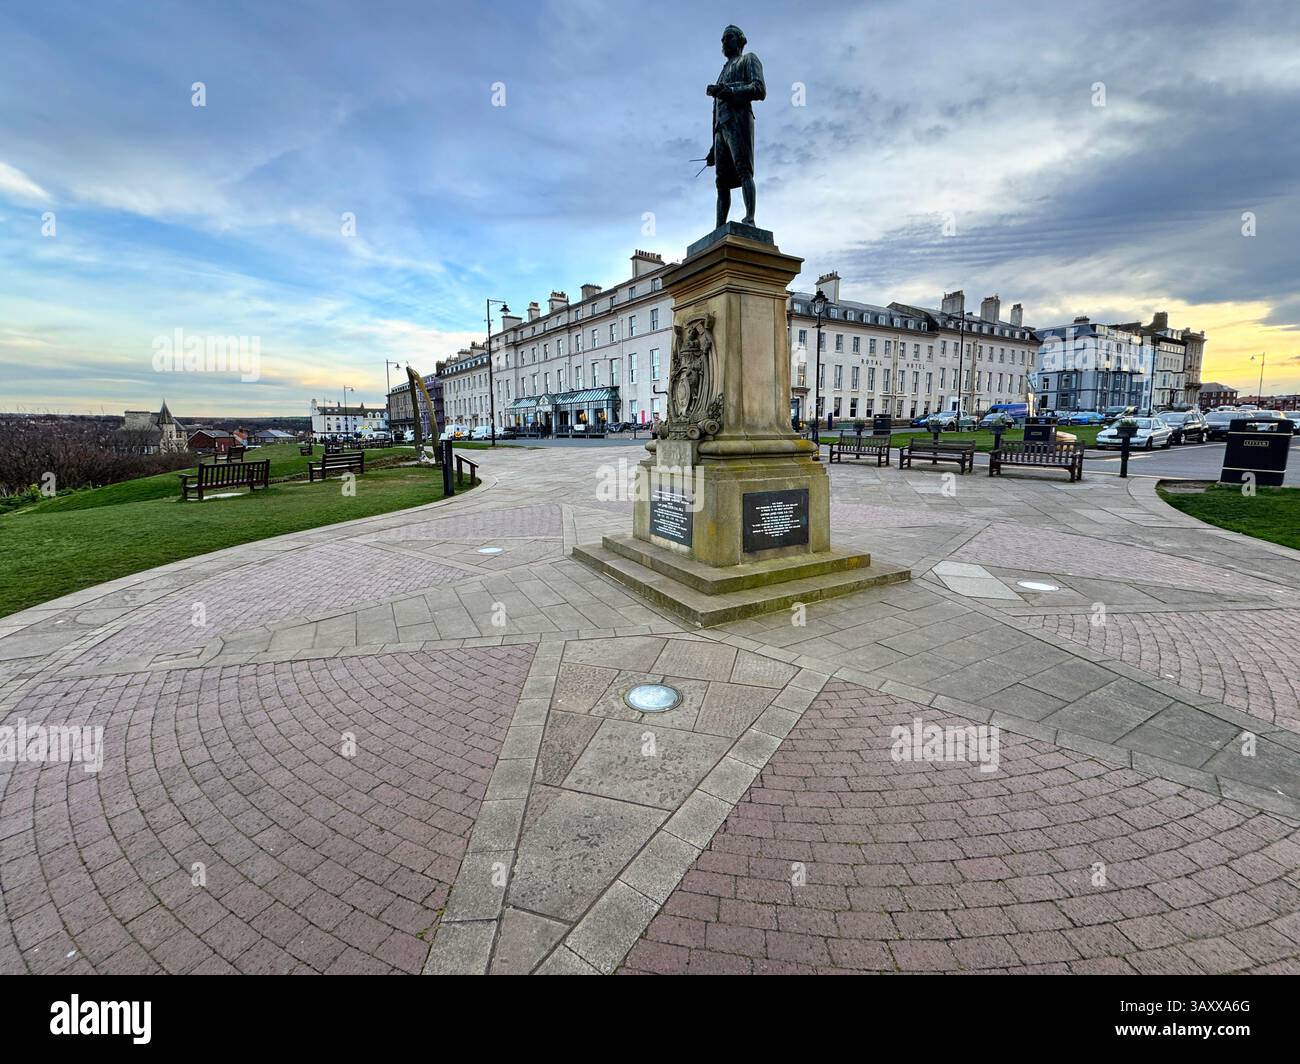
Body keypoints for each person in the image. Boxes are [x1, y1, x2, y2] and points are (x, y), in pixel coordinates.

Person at [706, 25, 765, 228]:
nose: (723, 42)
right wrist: (713, 148)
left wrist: (728, 91)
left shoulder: (749, 59)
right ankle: (719, 227)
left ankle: (750, 218)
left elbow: (759, 89)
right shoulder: (721, 73)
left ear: (739, 40)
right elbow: (715, 112)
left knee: (744, 170)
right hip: (721, 129)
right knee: (720, 182)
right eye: (722, 39)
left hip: (739, 122)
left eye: (728, 37)